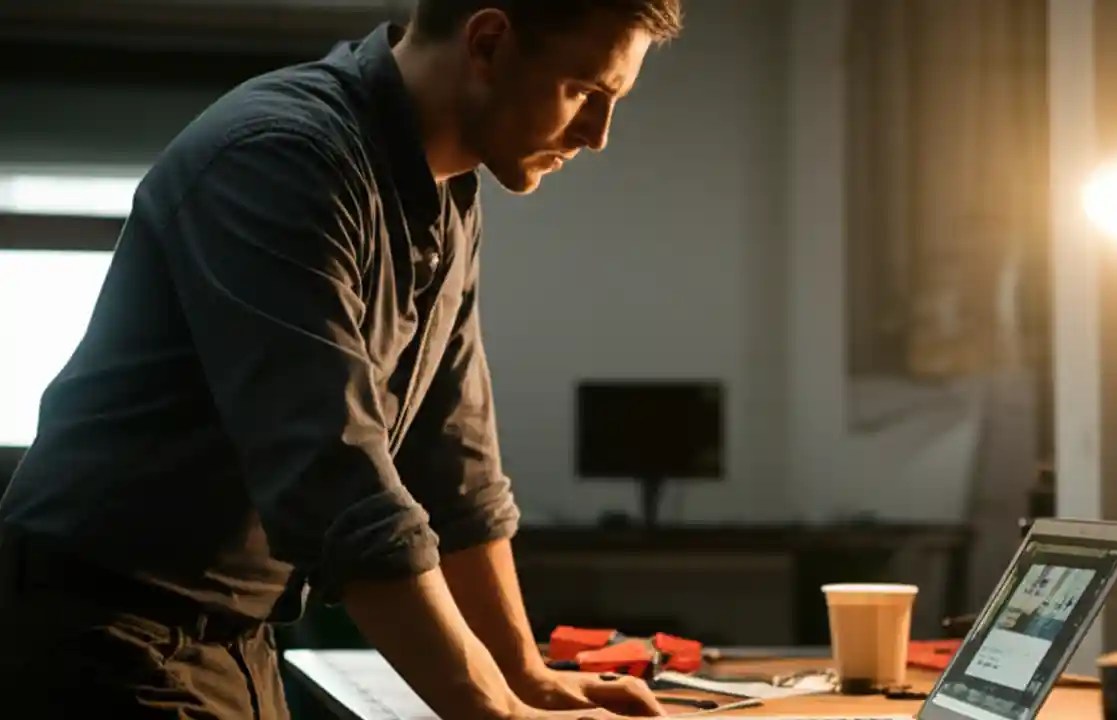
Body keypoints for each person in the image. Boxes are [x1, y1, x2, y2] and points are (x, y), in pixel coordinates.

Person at [0, 0, 681, 717]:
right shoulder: (279, 155)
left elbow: (457, 469)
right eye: (585, 90)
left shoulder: (447, 198)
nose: (599, 135)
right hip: (98, 639)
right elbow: (334, 476)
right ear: (487, 41)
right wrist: (494, 710)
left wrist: (521, 673)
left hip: (234, 637)